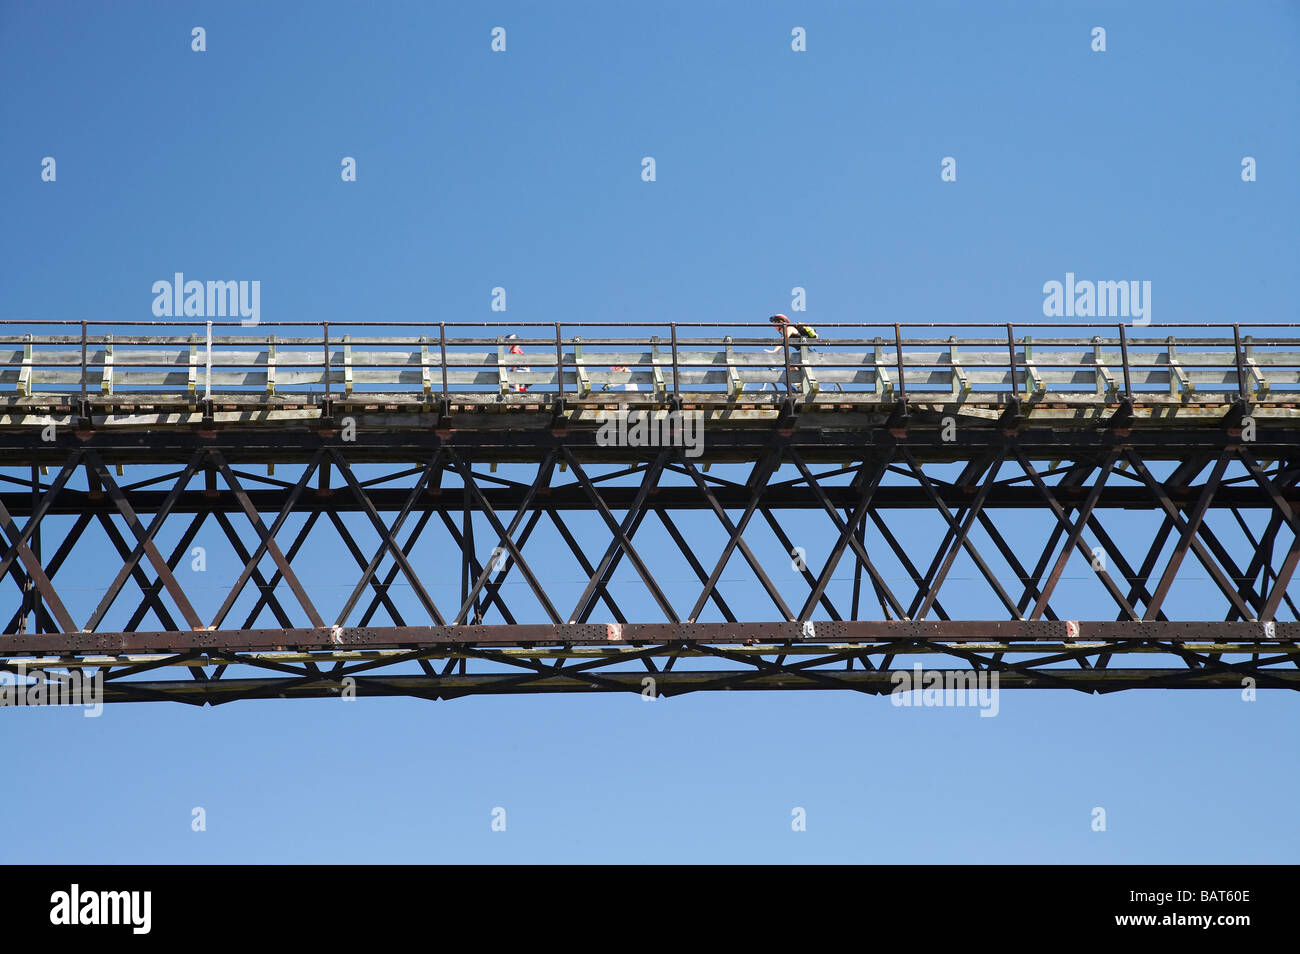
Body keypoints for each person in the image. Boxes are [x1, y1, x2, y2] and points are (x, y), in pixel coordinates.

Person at [762, 314, 816, 390]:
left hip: (807, 352)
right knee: (790, 365)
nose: (773, 326)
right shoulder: (787, 330)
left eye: (775, 323)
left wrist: (775, 351)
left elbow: (784, 339)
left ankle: (802, 386)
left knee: (790, 365)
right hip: (804, 353)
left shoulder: (789, 328)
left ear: (780, 322)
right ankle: (800, 386)